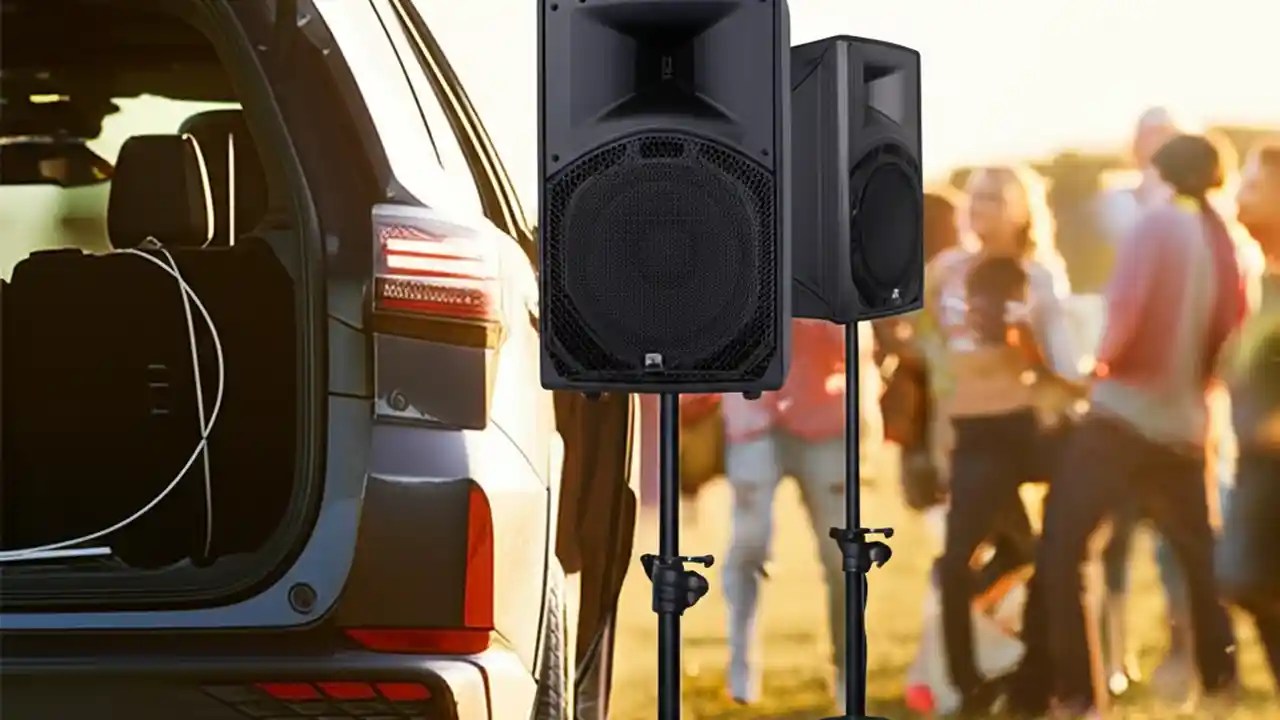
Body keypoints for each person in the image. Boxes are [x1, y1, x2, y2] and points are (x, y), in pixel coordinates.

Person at [1019, 134, 1244, 717]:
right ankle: (1221, 685)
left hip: (1123, 419)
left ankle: (1079, 695)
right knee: (1200, 561)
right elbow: (1229, 336)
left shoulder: (1155, 227)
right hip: (1188, 425)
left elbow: (1124, 315)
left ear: (1159, 174)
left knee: (1065, 548)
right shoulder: (1230, 241)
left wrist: (1092, 373)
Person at [930, 166, 1082, 713]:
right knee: (954, 566)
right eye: (975, 197)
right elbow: (923, 339)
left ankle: (1035, 674)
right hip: (974, 435)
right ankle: (970, 686)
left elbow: (1062, 366)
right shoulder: (946, 270)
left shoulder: (1037, 276)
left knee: (1057, 557)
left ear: (1022, 210)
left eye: (995, 198)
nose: (981, 207)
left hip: (1030, 427)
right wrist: (939, 408)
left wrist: (1040, 352)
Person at [719, 318, 882, 706]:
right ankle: (741, 664)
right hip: (754, 417)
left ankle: (847, 673)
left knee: (842, 557)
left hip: (823, 417)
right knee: (749, 544)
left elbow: (856, 344)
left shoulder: (831, 259)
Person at [1218, 139, 1280, 687]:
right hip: (1256, 470)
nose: (1240, 196)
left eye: (1255, 186)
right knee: (1246, 584)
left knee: (1249, 580)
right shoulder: (1263, 282)